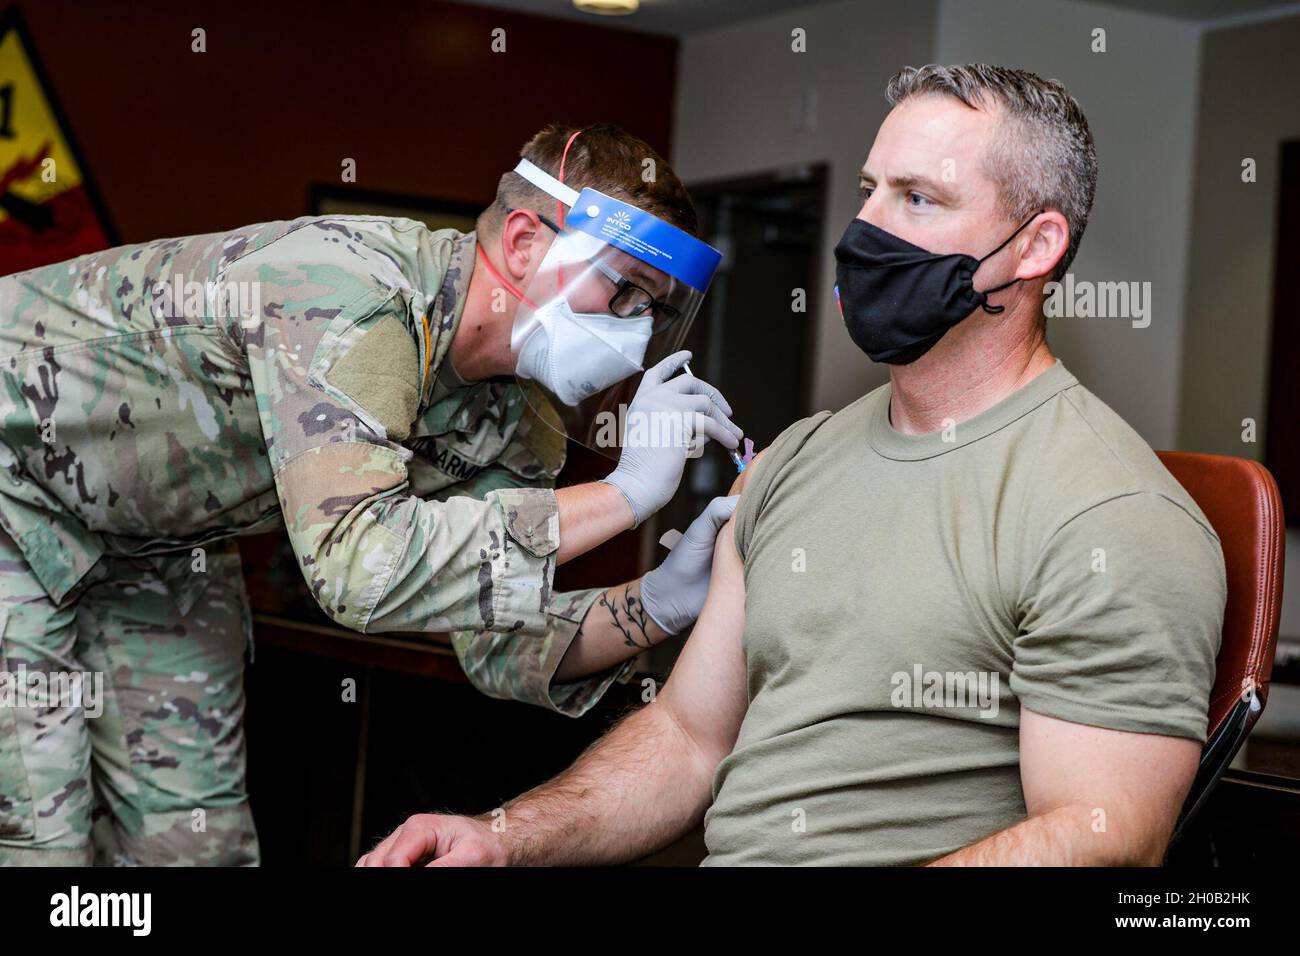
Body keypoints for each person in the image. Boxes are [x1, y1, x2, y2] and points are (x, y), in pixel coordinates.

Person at [359, 65, 1227, 868]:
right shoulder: (794, 461)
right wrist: (501, 837)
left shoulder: (1109, 512)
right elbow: (690, 741)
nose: (867, 229)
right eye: (869, 191)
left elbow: (1104, 835)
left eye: (919, 198)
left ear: (1034, 248)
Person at [0, 123, 741, 865]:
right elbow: (360, 566)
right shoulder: (353, 291)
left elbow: (497, 644)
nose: (635, 337)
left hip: (161, 541)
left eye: (651, 308)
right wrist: (626, 495)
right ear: (523, 243)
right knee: (41, 834)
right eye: (622, 292)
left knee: (198, 845)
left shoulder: (516, 415)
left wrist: (656, 603)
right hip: (15, 486)